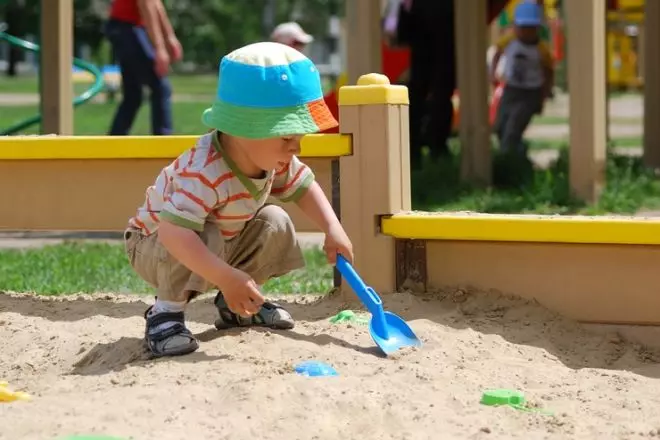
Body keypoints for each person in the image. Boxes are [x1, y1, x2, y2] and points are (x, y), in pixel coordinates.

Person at [123, 42, 354, 358]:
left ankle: (240, 305)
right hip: (154, 245)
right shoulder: (204, 171)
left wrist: (332, 227)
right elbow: (173, 233)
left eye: (300, 138)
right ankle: (166, 314)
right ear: (243, 129)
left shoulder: (272, 158)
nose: (296, 149)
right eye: (287, 137)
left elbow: (304, 187)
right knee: (203, 232)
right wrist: (226, 276)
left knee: (275, 220)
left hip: (212, 242)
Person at [105, 0, 182, 135]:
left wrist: (169, 37)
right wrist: (160, 49)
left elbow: (155, 3)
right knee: (160, 86)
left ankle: (113, 142)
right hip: (127, 28)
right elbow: (146, 4)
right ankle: (163, 143)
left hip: (124, 27)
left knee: (133, 95)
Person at [490, 1, 554, 156]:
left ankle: (507, 160)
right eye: (522, 27)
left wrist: (545, 93)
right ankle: (519, 152)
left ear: (537, 28)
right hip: (511, 89)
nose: (526, 32)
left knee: (513, 127)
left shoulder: (542, 49)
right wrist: (493, 73)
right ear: (515, 26)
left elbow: (548, 71)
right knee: (500, 126)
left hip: (530, 93)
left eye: (530, 28)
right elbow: (497, 52)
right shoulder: (510, 40)